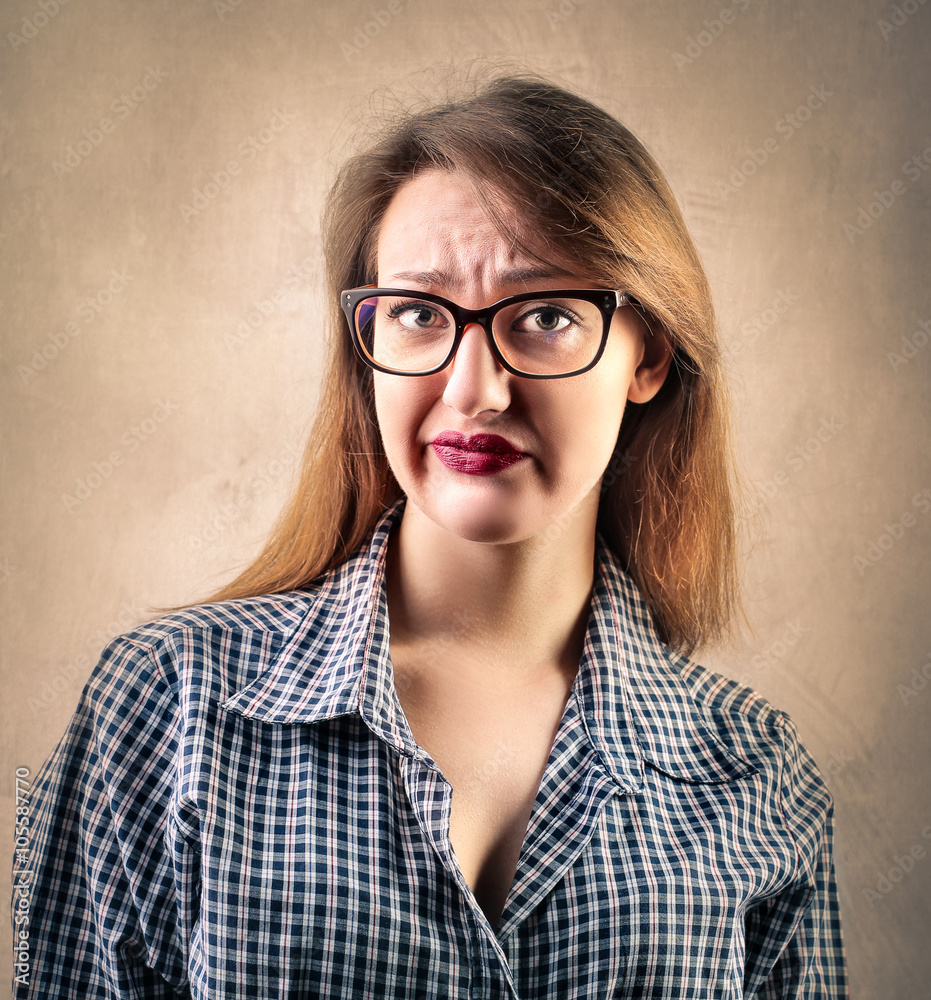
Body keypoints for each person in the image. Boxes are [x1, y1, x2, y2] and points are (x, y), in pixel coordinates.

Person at [14, 74, 848, 998]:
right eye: (419, 313)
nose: (473, 390)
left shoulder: (756, 776)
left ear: (647, 352)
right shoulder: (165, 707)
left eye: (544, 317)